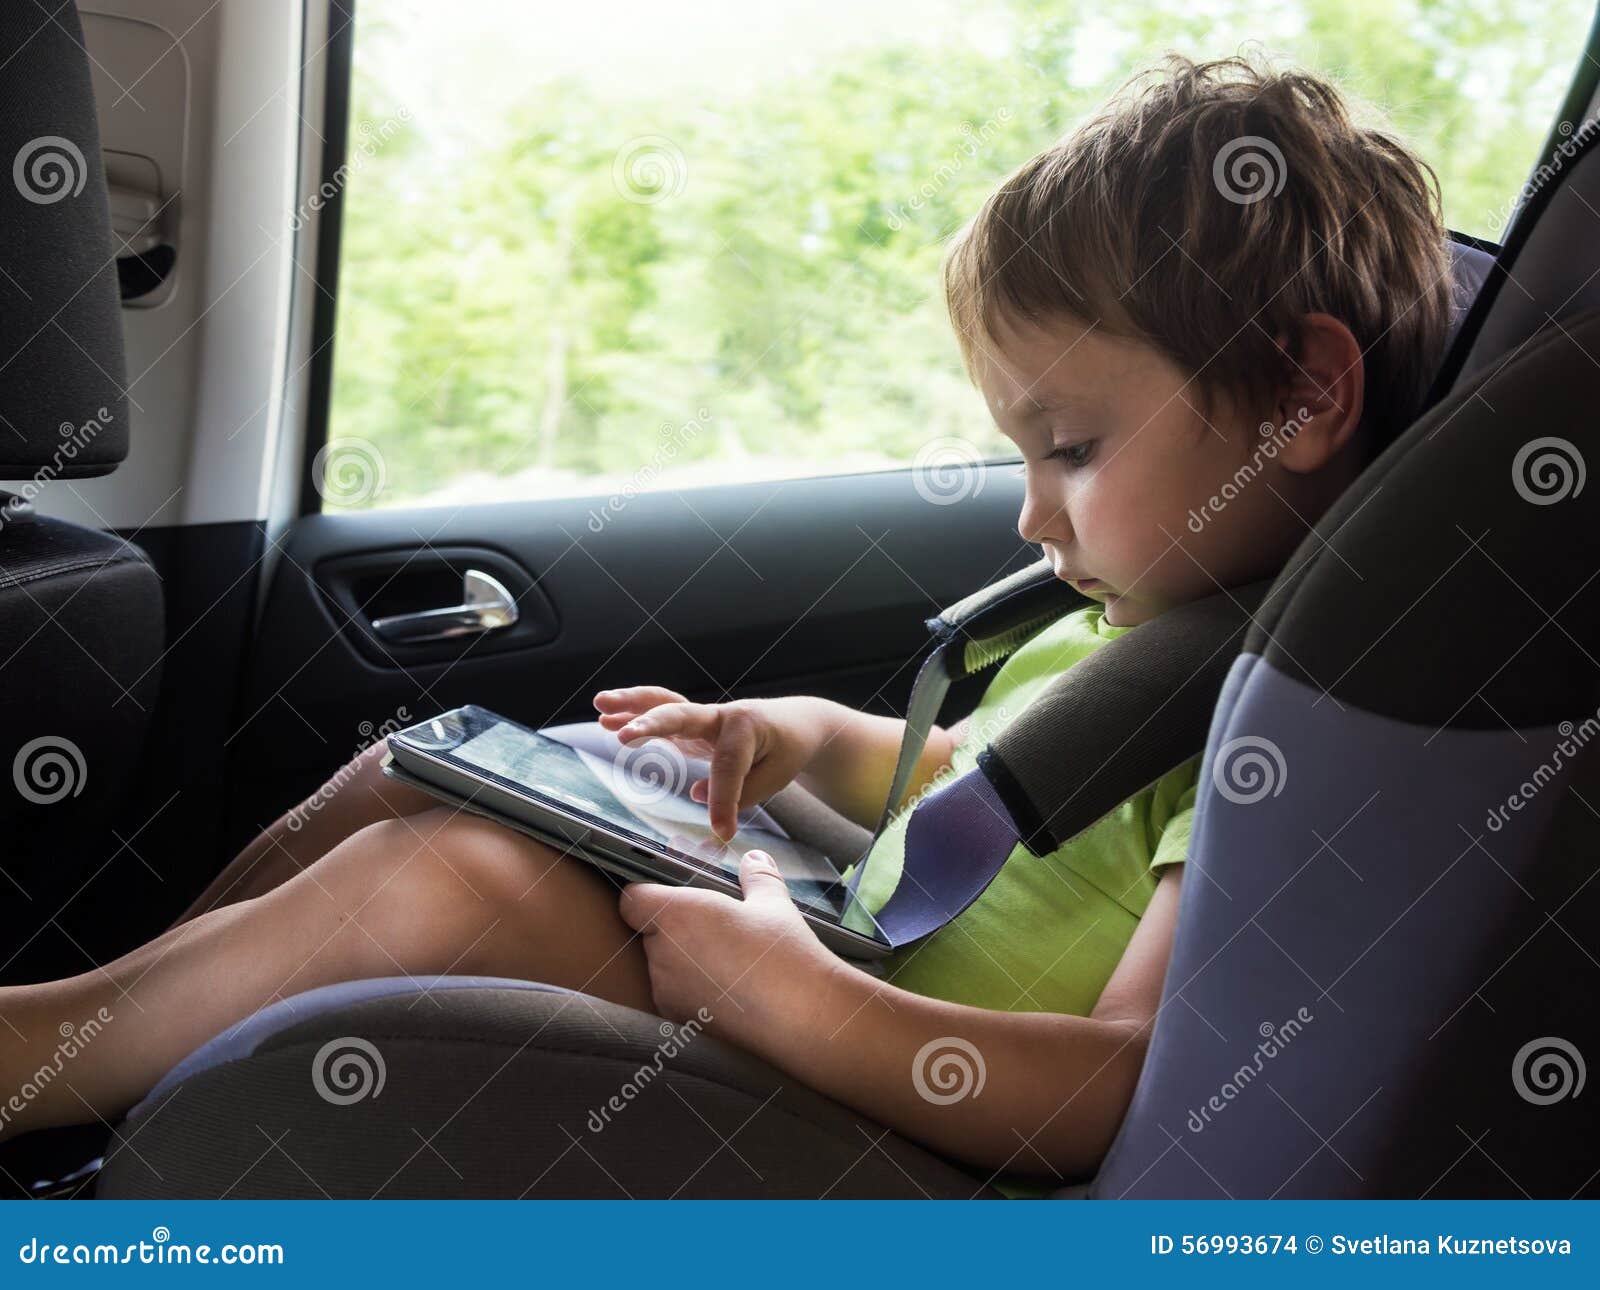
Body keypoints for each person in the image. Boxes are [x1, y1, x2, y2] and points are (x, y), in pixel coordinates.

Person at [0, 53, 1452, 1187]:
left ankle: (37, 1062)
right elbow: (984, 794)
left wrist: (796, 1000)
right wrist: (799, 733)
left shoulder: (1283, 727)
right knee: (425, 767)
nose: (1031, 515)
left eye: (1071, 449)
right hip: (845, 961)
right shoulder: (1136, 631)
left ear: (1303, 396)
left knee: (450, 882)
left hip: (896, 1106)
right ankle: (101, 1069)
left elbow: (1111, 1085)